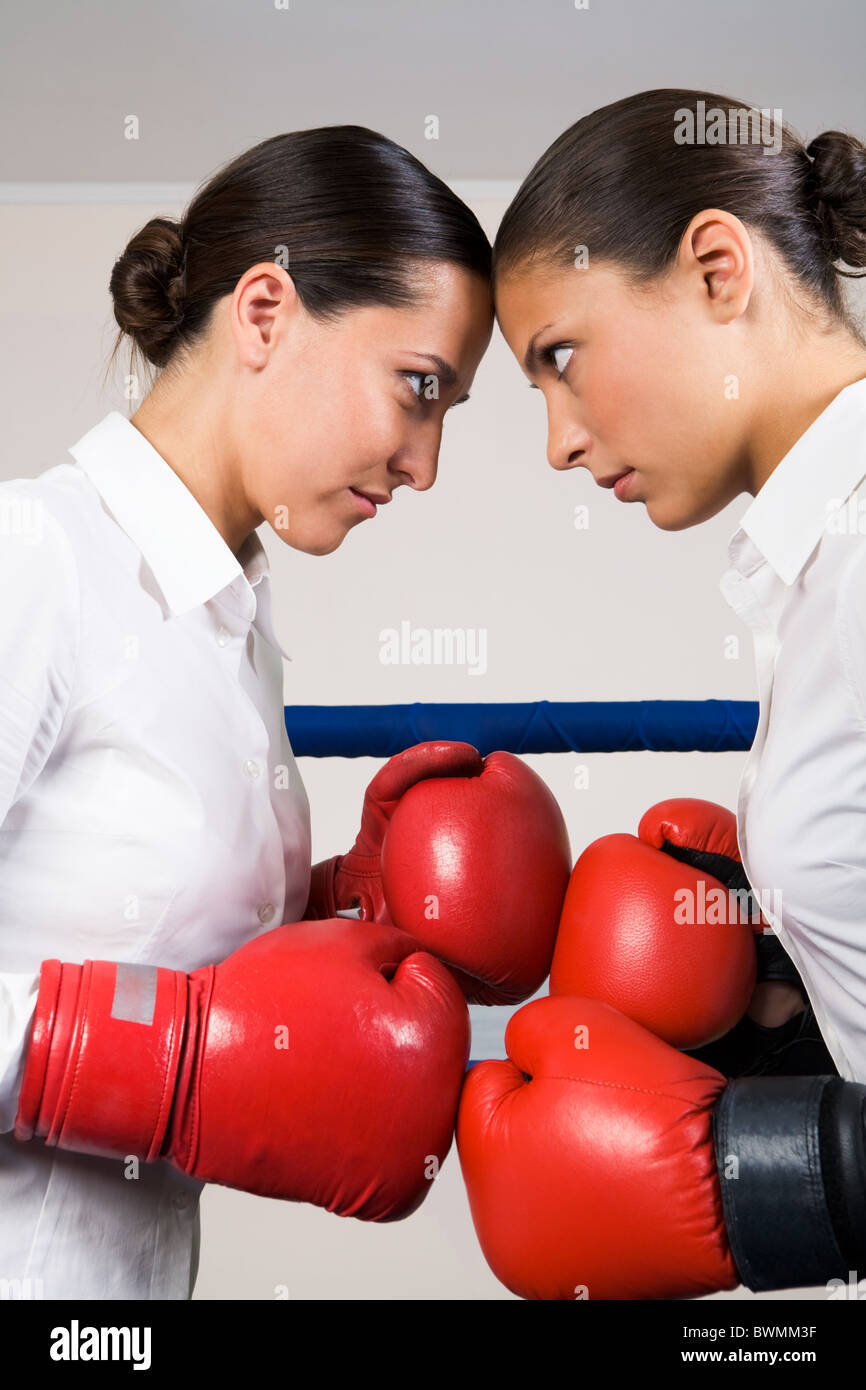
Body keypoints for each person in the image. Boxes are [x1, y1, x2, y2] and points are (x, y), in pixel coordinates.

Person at [0, 125, 498, 1300]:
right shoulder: (38, 558)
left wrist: (343, 905)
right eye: (417, 388)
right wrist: (168, 1070)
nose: (424, 464)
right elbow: (178, 1043)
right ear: (264, 312)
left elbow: (147, 958)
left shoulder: (230, 624)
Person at [458, 87, 866, 1299]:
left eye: (561, 358)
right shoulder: (813, 574)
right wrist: (785, 1012)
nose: (556, 442)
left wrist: (797, 1178)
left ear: (716, 268)